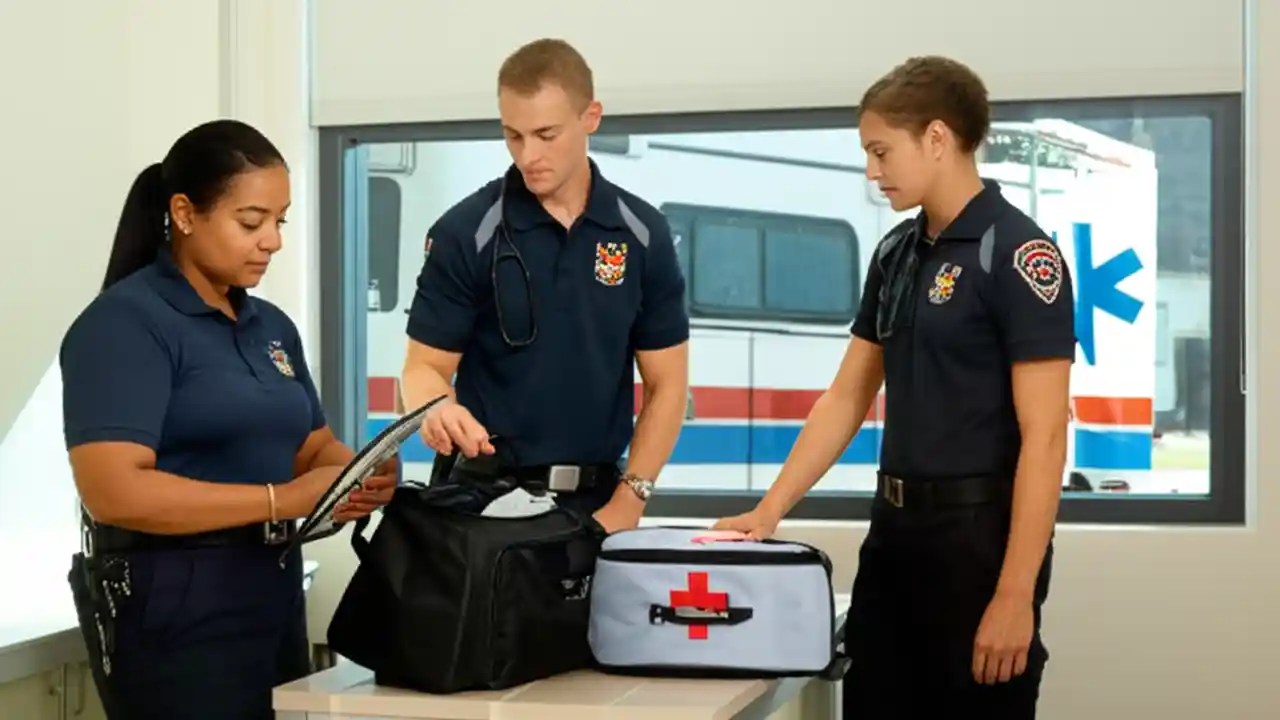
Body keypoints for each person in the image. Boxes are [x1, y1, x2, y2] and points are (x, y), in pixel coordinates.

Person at [713, 56, 1075, 717]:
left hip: (978, 545)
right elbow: (846, 397)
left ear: (937, 138)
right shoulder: (895, 254)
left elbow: (1047, 436)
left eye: (881, 151)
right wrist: (770, 511)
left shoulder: (1018, 255)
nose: (871, 171)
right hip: (894, 534)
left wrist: (1015, 594)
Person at [60, 119, 398, 720]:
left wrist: (357, 474)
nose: (272, 241)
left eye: (280, 221)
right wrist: (281, 499)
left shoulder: (270, 326)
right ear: (185, 214)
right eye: (251, 222)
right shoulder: (125, 324)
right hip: (174, 606)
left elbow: (311, 445)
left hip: (270, 591)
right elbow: (113, 490)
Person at [399, 38, 689, 530]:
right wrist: (437, 409)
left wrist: (629, 502)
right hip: (482, 503)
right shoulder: (465, 232)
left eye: (546, 134)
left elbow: (668, 384)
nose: (528, 155)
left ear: (591, 117)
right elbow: (422, 368)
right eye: (514, 136)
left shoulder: (641, 234)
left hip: (597, 505)